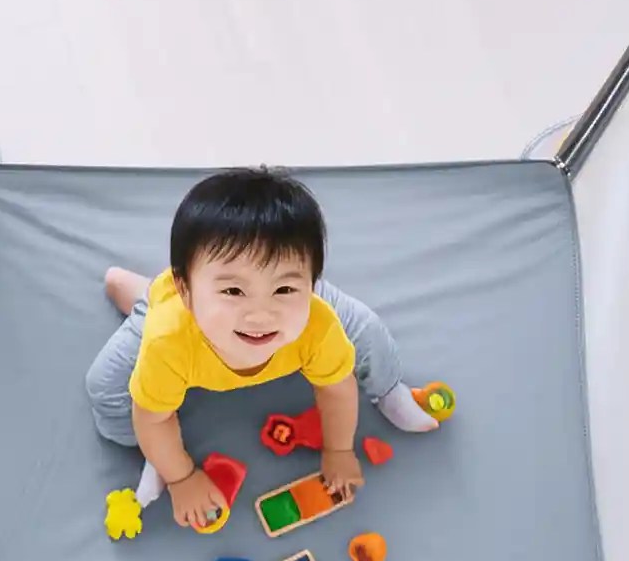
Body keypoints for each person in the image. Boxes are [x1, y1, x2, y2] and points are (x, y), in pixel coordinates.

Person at [86, 167, 437, 530]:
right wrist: (181, 477)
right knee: (108, 400)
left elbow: (337, 389)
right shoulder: (168, 341)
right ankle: (146, 296)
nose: (260, 316)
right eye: (233, 291)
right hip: (182, 316)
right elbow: (153, 418)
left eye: (284, 288)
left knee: (366, 328)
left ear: (311, 282)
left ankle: (388, 389)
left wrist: (339, 450)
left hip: (289, 308)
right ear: (186, 289)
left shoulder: (315, 323)